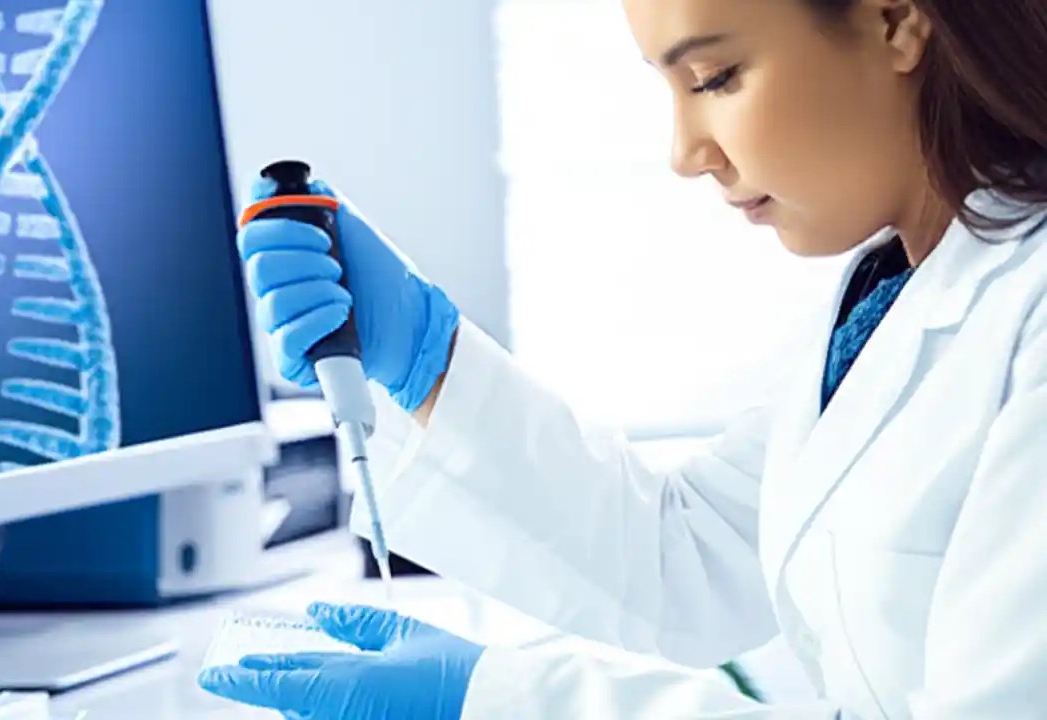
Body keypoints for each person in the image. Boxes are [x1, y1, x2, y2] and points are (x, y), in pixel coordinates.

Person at [199, 0, 1047, 717]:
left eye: (714, 79)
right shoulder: (891, 289)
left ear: (897, 21)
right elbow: (688, 552)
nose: (685, 153)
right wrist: (428, 361)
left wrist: (494, 696)